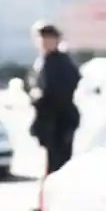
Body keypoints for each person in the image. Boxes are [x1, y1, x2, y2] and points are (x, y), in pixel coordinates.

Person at [28, 22, 81, 179]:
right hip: (50, 118)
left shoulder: (61, 62)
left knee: (59, 163)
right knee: (52, 161)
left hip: (60, 120)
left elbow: (62, 90)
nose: (45, 42)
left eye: (49, 39)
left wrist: (40, 99)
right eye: (43, 39)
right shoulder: (44, 61)